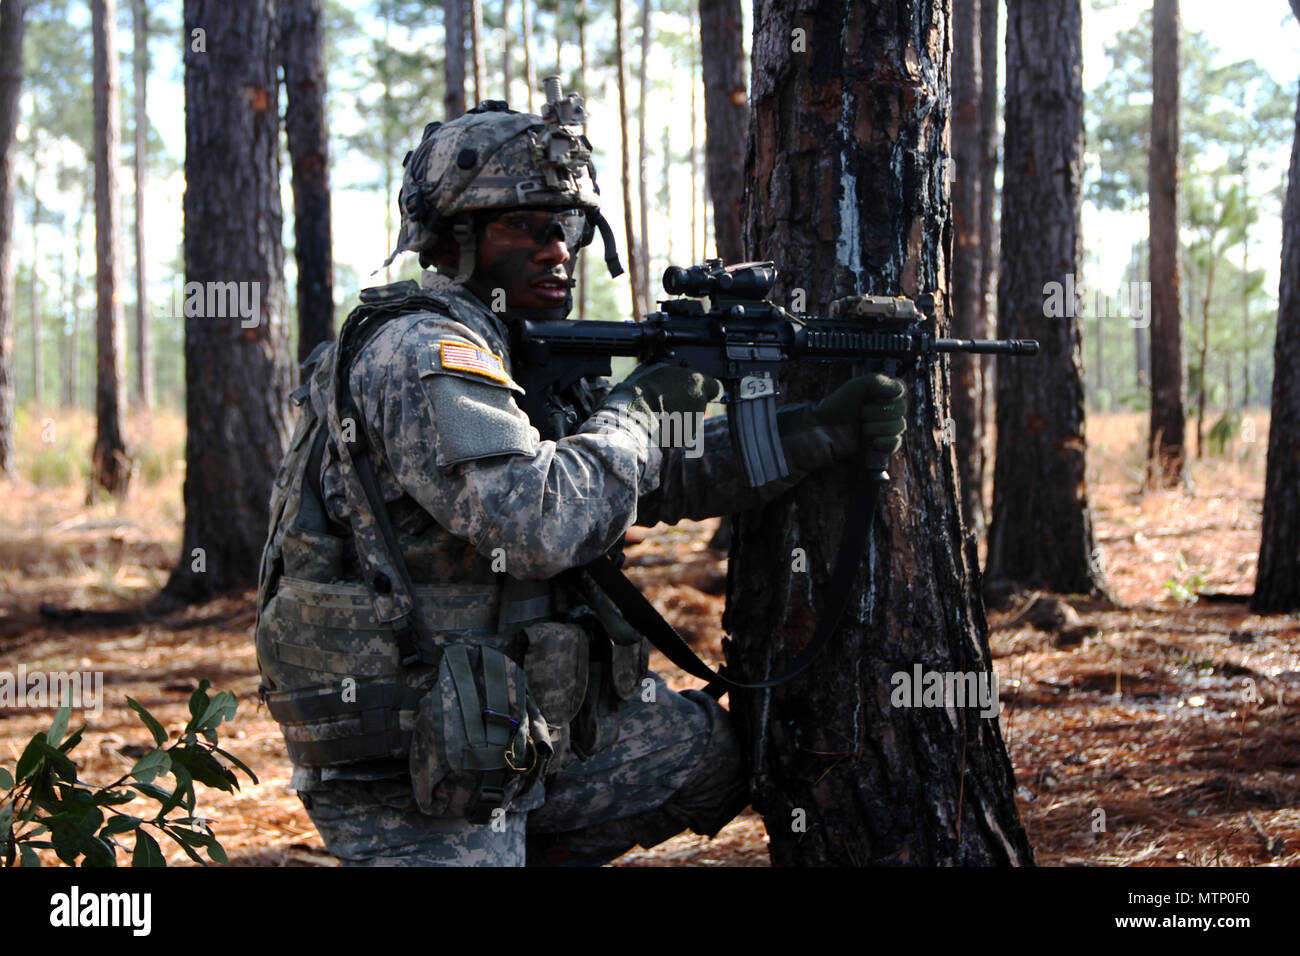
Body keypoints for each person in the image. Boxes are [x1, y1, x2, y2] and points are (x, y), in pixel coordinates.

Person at [254, 82, 908, 866]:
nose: (558, 248)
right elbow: (533, 522)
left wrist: (817, 432)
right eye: (527, 226)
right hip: (415, 758)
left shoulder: (520, 355)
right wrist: (634, 413)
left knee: (714, 762)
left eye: (568, 227)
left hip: (516, 720)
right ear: (450, 238)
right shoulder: (425, 352)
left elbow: (649, 475)